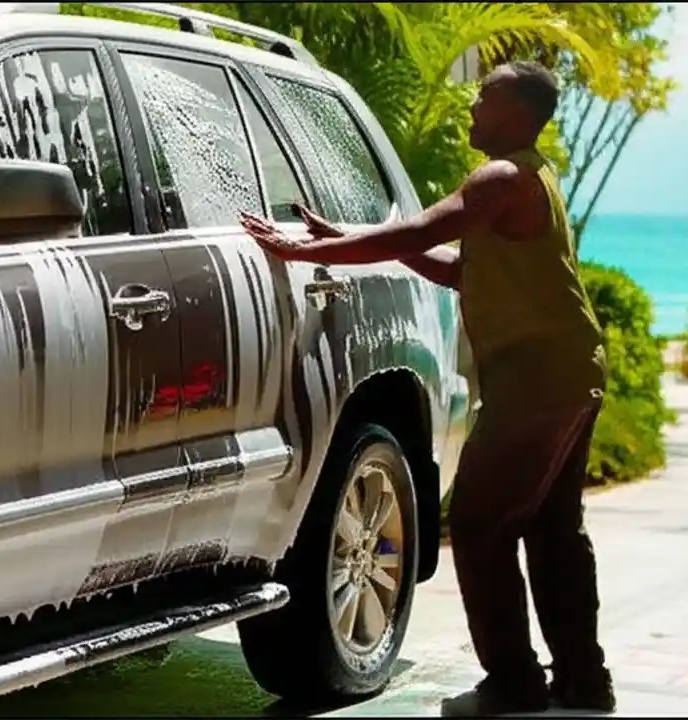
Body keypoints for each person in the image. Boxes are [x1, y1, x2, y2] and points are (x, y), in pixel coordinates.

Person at [239, 60, 614, 717]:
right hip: (569, 370)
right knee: (554, 529)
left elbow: (422, 229)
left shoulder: (501, 177)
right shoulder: (531, 177)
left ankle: (514, 685)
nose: (473, 106)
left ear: (519, 115)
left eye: (486, 98)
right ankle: (585, 681)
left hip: (538, 380)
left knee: (478, 526)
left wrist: (306, 253)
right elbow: (452, 265)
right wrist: (347, 240)